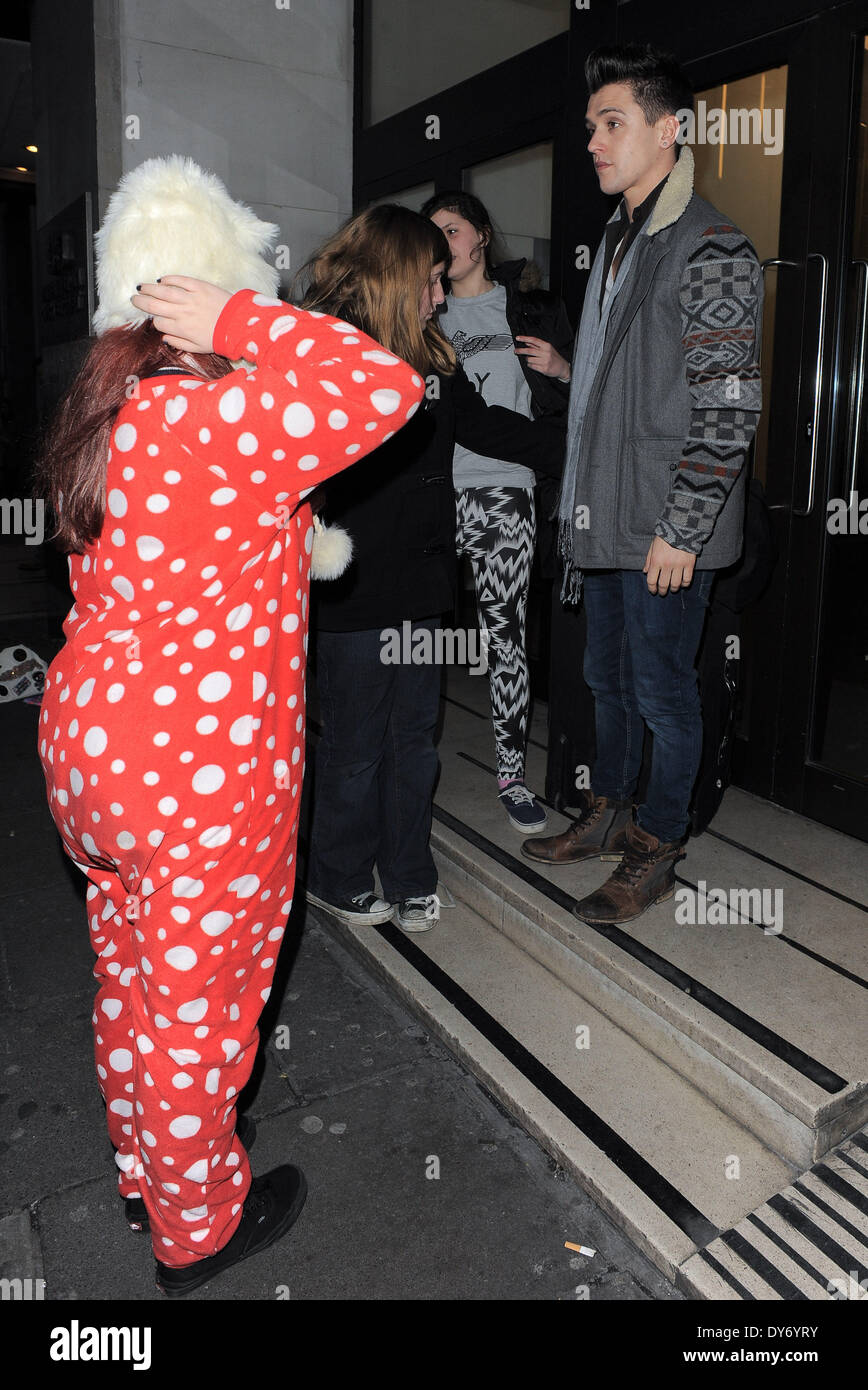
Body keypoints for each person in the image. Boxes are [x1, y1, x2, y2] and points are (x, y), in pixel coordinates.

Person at [35, 156, 425, 1296]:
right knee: (200, 1012)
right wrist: (245, 316)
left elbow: (208, 547)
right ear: (202, 288)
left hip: (89, 748)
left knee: (131, 974)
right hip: (201, 770)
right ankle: (196, 1224)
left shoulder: (107, 410)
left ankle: (142, 1167)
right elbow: (385, 386)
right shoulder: (226, 412)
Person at [522, 44, 763, 925]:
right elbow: (636, 379)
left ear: (671, 129)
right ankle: (610, 808)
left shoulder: (710, 244)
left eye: (613, 123)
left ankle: (658, 842)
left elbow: (729, 407)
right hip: (609, 514)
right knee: (609, 680)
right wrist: (569, 367)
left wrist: (687, 526)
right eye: (591, 125)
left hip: (665, 525)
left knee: (664, 688)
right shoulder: (623, 237)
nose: (594, 140)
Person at [302, 204, 563, 933]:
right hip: (353, 588)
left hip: (420, 585)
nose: (442, 296)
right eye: (431, 281)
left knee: (414, 743)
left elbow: (491, 427)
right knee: (355, 747)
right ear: (394, 278)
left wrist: (580, 457)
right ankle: (338, 873)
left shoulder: (433, 359)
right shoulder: (326, 357)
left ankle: (409, 871)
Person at [422, 190, 573, 833]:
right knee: (420, 637)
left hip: (505, 487)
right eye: (433, 236)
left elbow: (589, 396)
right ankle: (412, 762)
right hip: (433, 492)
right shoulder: (422, 313)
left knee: (503, 637)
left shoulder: (529, 308)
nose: (443, 246)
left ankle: (511, 776)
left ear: (481, 235)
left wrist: (564, 369)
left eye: (452, 231)